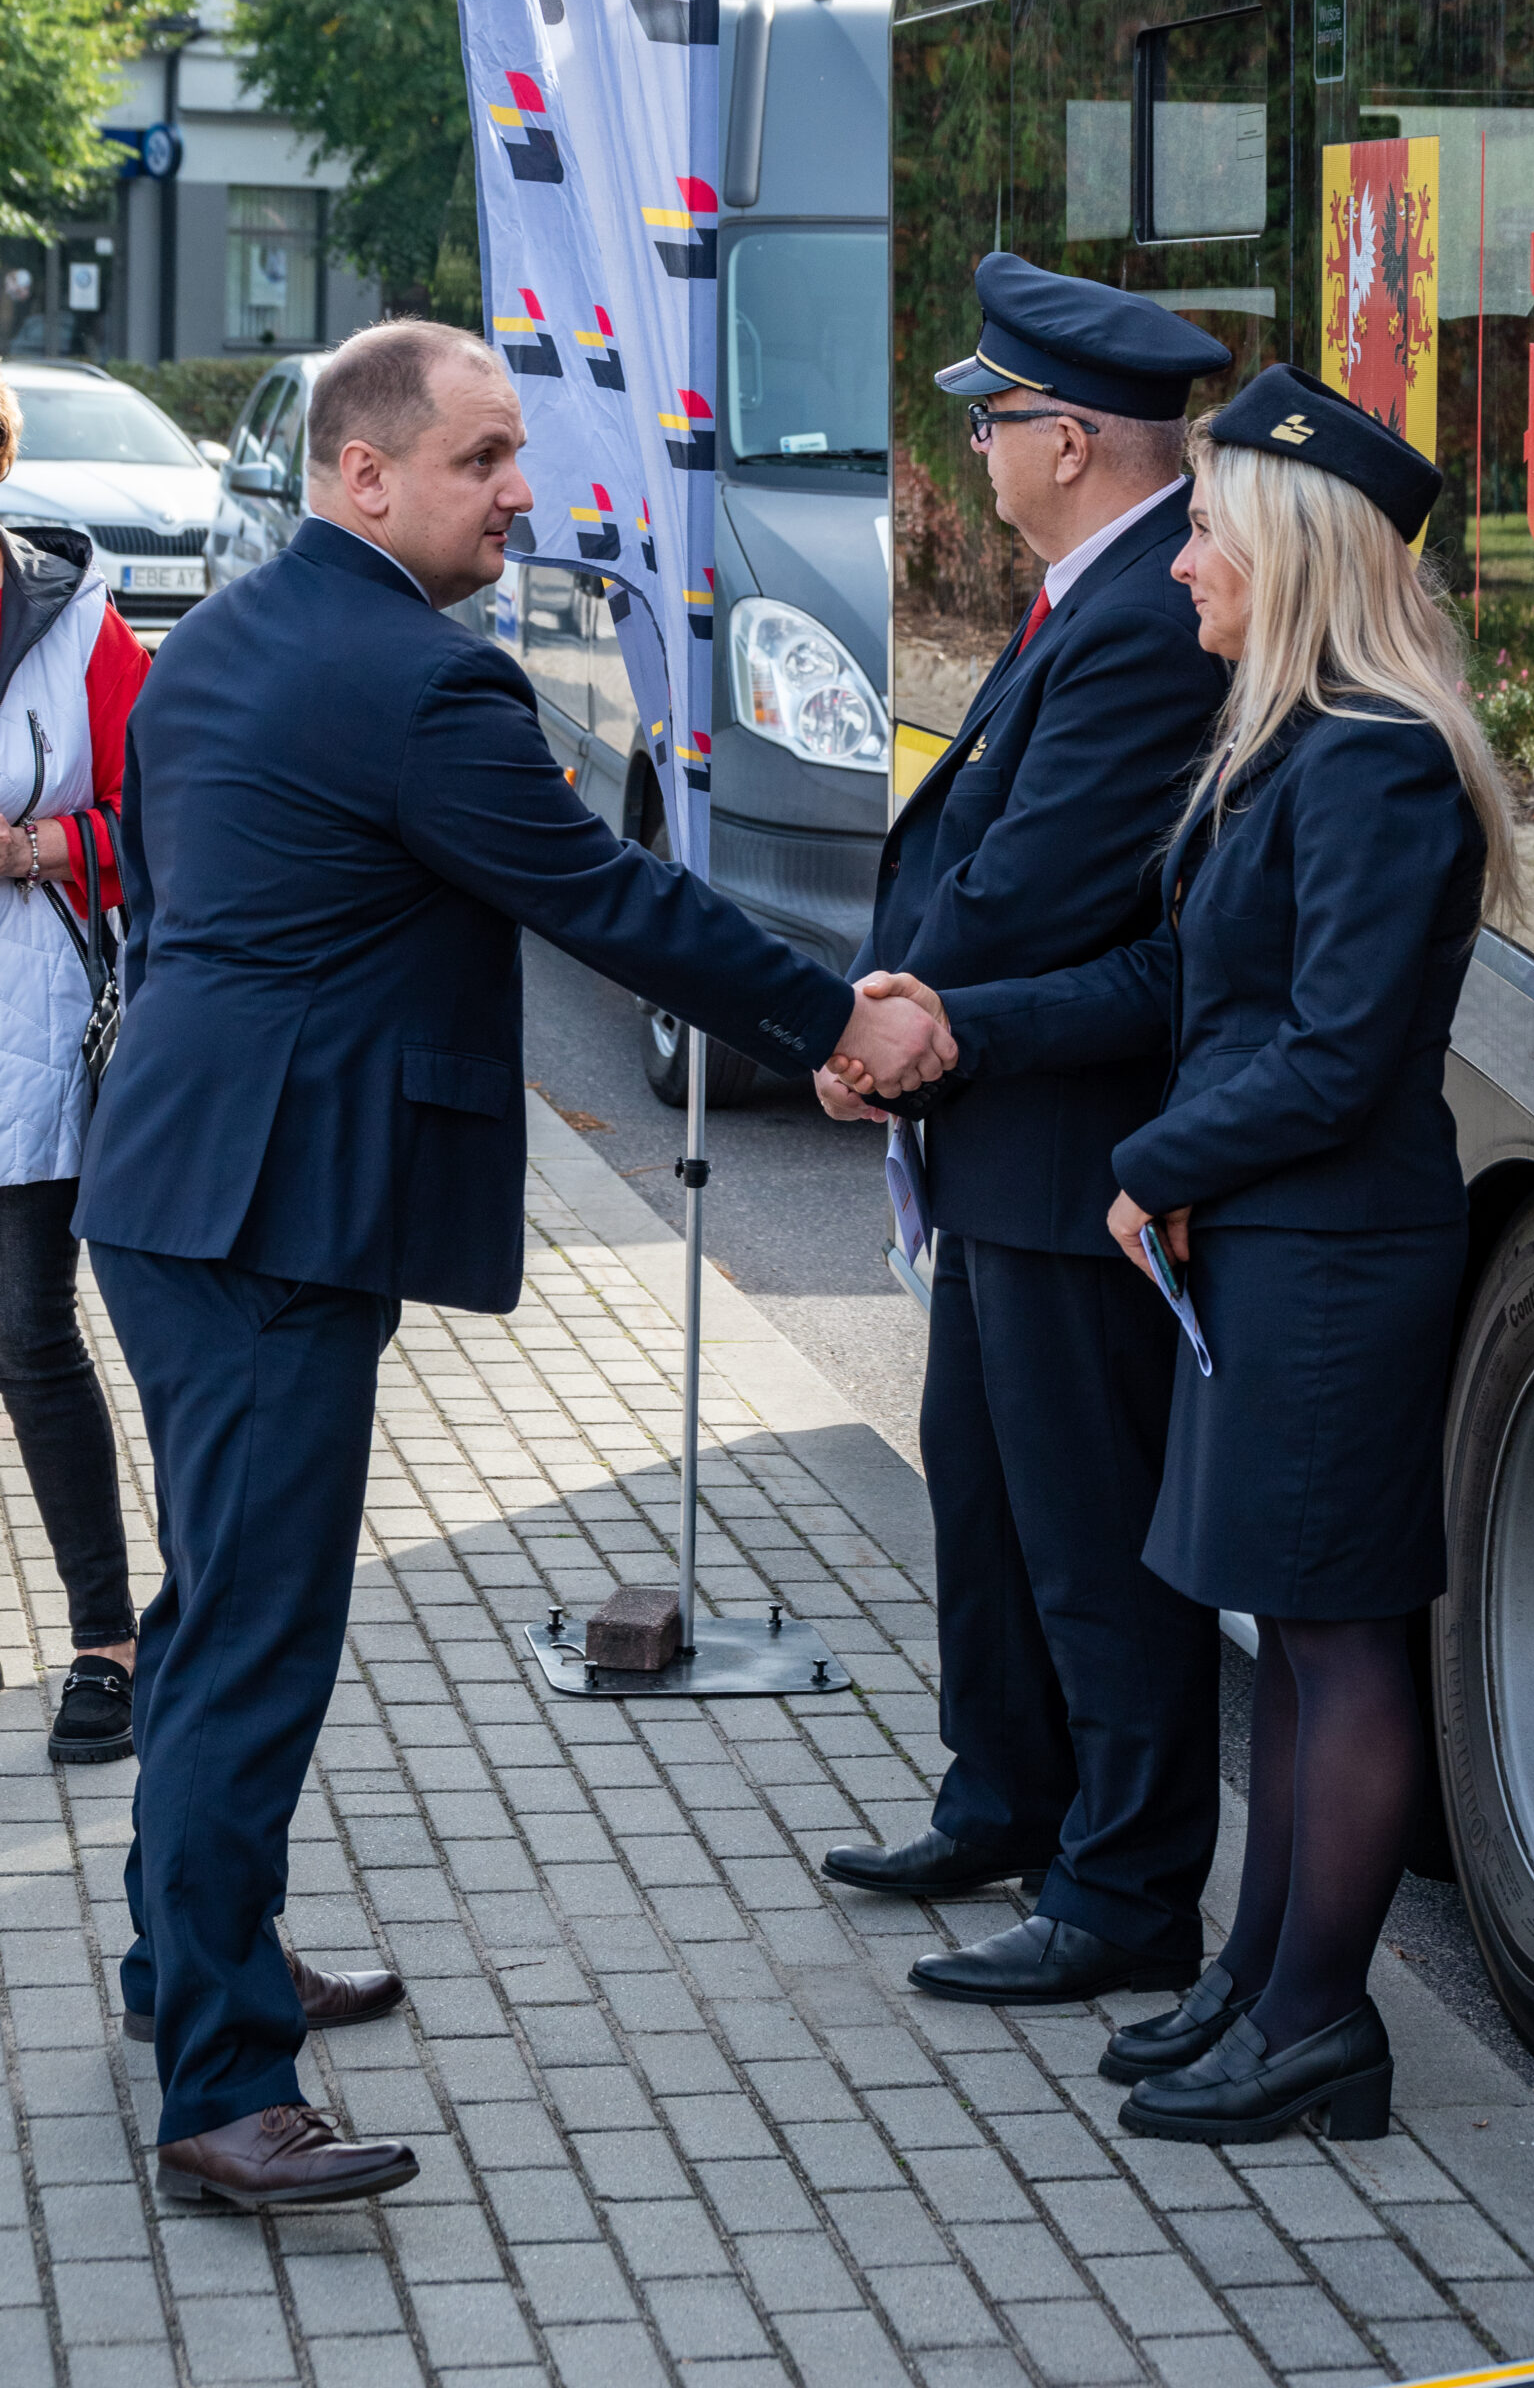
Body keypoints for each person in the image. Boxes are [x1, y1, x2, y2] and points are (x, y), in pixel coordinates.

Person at [74, 319, 953, 2210]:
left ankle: (192, 1965)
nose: (518, 493)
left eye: (514, 456)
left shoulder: (214, 642)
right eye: (480, 459)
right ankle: (224, 2086)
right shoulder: (424, 683)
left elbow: (173, 905)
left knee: (214, 1608)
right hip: (269, 1215)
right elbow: (610, 900)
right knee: (252, 1644)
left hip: (172, 1189)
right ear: (364, 472)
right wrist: (839, 1022)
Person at [849, 363, 1516, 2140]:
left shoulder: (1377, 761)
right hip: (1271, 1251)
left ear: (1290, 553)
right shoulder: (1293, 744)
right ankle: (1255, 1981)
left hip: (1332, 1258)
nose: (1184, 560)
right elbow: (1178, 980)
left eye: (1209, 531)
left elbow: (1339, 1052)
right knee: (1288, 1638)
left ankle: (1318, 2026)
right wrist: (970, 1030)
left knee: (1338, 1639)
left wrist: (1148, 1162)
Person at [816, 254, 1234, 2006]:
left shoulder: (1143, 616)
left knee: (1089, 1533)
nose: (973, 448)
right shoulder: (1098, 589)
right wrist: (877, 1023)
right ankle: (1007, 1800)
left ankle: (1125, 1890)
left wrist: (872, 1030)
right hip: (999, 1137)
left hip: (1072, 1153)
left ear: (1068, 440)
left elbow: (1036, 887)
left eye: (992, 420)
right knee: (988, 1502)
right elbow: (968, 853)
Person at [0, 369, 146, 1766]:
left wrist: (41, 846)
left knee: (29, 1337)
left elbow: (161, 810)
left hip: (30, 1037)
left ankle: (107, 1643)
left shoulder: (78, 624)